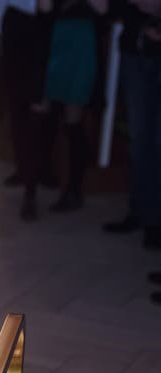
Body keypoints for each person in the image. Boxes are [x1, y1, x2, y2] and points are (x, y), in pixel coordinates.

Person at [102, 0, 161, 250]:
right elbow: (110, 9)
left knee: (155, 141)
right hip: (134, 53)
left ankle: (153, 220)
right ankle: (140, 212)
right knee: (139, 138)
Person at [0, 0, 55, 221]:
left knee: (39, 107)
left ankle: (33, 184)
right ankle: (24, 170)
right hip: (16, 22)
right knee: (18, 106)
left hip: (45, 26)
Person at [44, 0, 108, 213]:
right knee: (52, 113)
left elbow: (103, 8)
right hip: (57, 36)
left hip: (82, 42)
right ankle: (48, 174)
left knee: (74, 120)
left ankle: (73, 189)